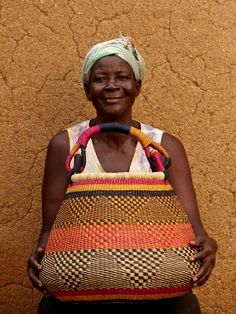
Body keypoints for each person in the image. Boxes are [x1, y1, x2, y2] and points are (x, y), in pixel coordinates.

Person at [27, 35, 217, 313]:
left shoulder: (162, 146)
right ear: (87, 89)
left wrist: (208, 244)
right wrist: (40, 258)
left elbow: (194, 229)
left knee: (183, 305)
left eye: (123, 77)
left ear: (137, 86)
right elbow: (51, 230)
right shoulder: (65, 145)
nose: (111, 86)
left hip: (157, 285)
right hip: (85, 282)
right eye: (100, 78)